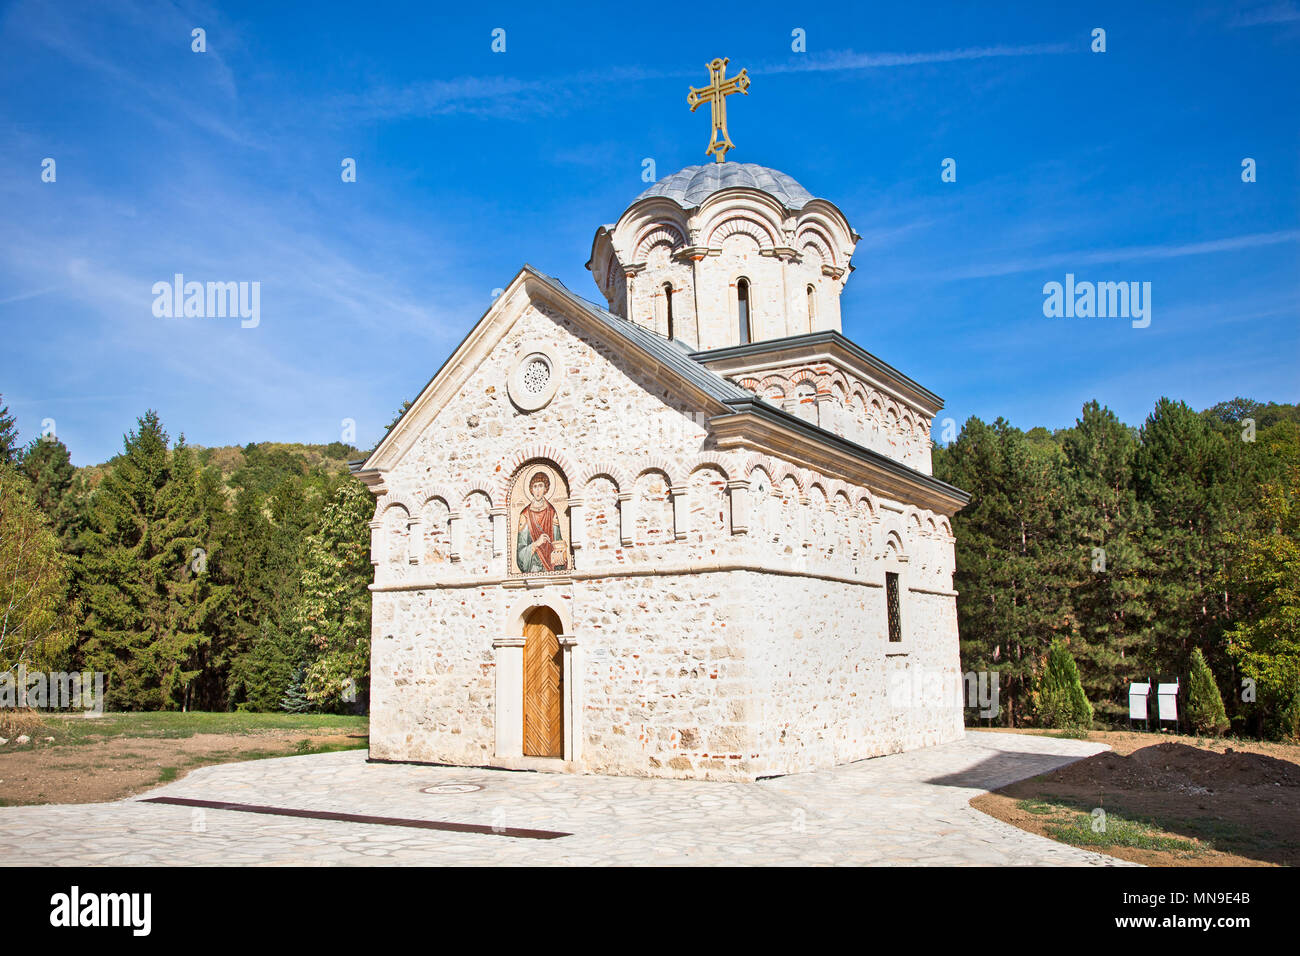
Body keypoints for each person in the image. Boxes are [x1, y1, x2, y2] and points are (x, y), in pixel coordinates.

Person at [515, 470, 568, 572]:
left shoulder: (552, 512)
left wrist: (561, 554)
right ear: (531, 489)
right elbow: (520, 554)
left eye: (540, 486)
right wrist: (536, 544)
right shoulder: (525, 515)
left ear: (545, 489)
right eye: (535, 486)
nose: (538, 490)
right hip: (533, 568)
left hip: (550, 567)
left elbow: (558, 543)